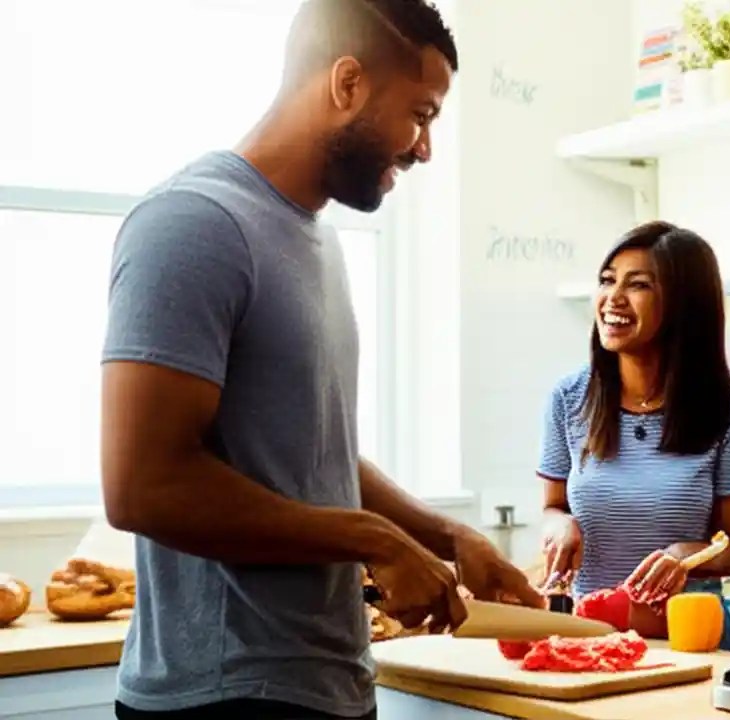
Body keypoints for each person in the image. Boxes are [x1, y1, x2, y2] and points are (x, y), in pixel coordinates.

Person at [99, 2, 541, 718]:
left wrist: (448, 537)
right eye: (421, 114)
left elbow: (312, 456)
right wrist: (372, 540)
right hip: (224, 695)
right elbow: (142, 485)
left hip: (325, 686)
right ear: (347, 83)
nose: (425, 148)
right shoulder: (192, 225)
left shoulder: (316, 242)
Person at [537, 221, 730, 638]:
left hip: (686, 638)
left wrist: (683, 555)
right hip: (588, 634)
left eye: (637, 285)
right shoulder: (569, 398)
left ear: (683, 304)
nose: (613, 299)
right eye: (608, 281)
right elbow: (552, 507)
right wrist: (560, 526)